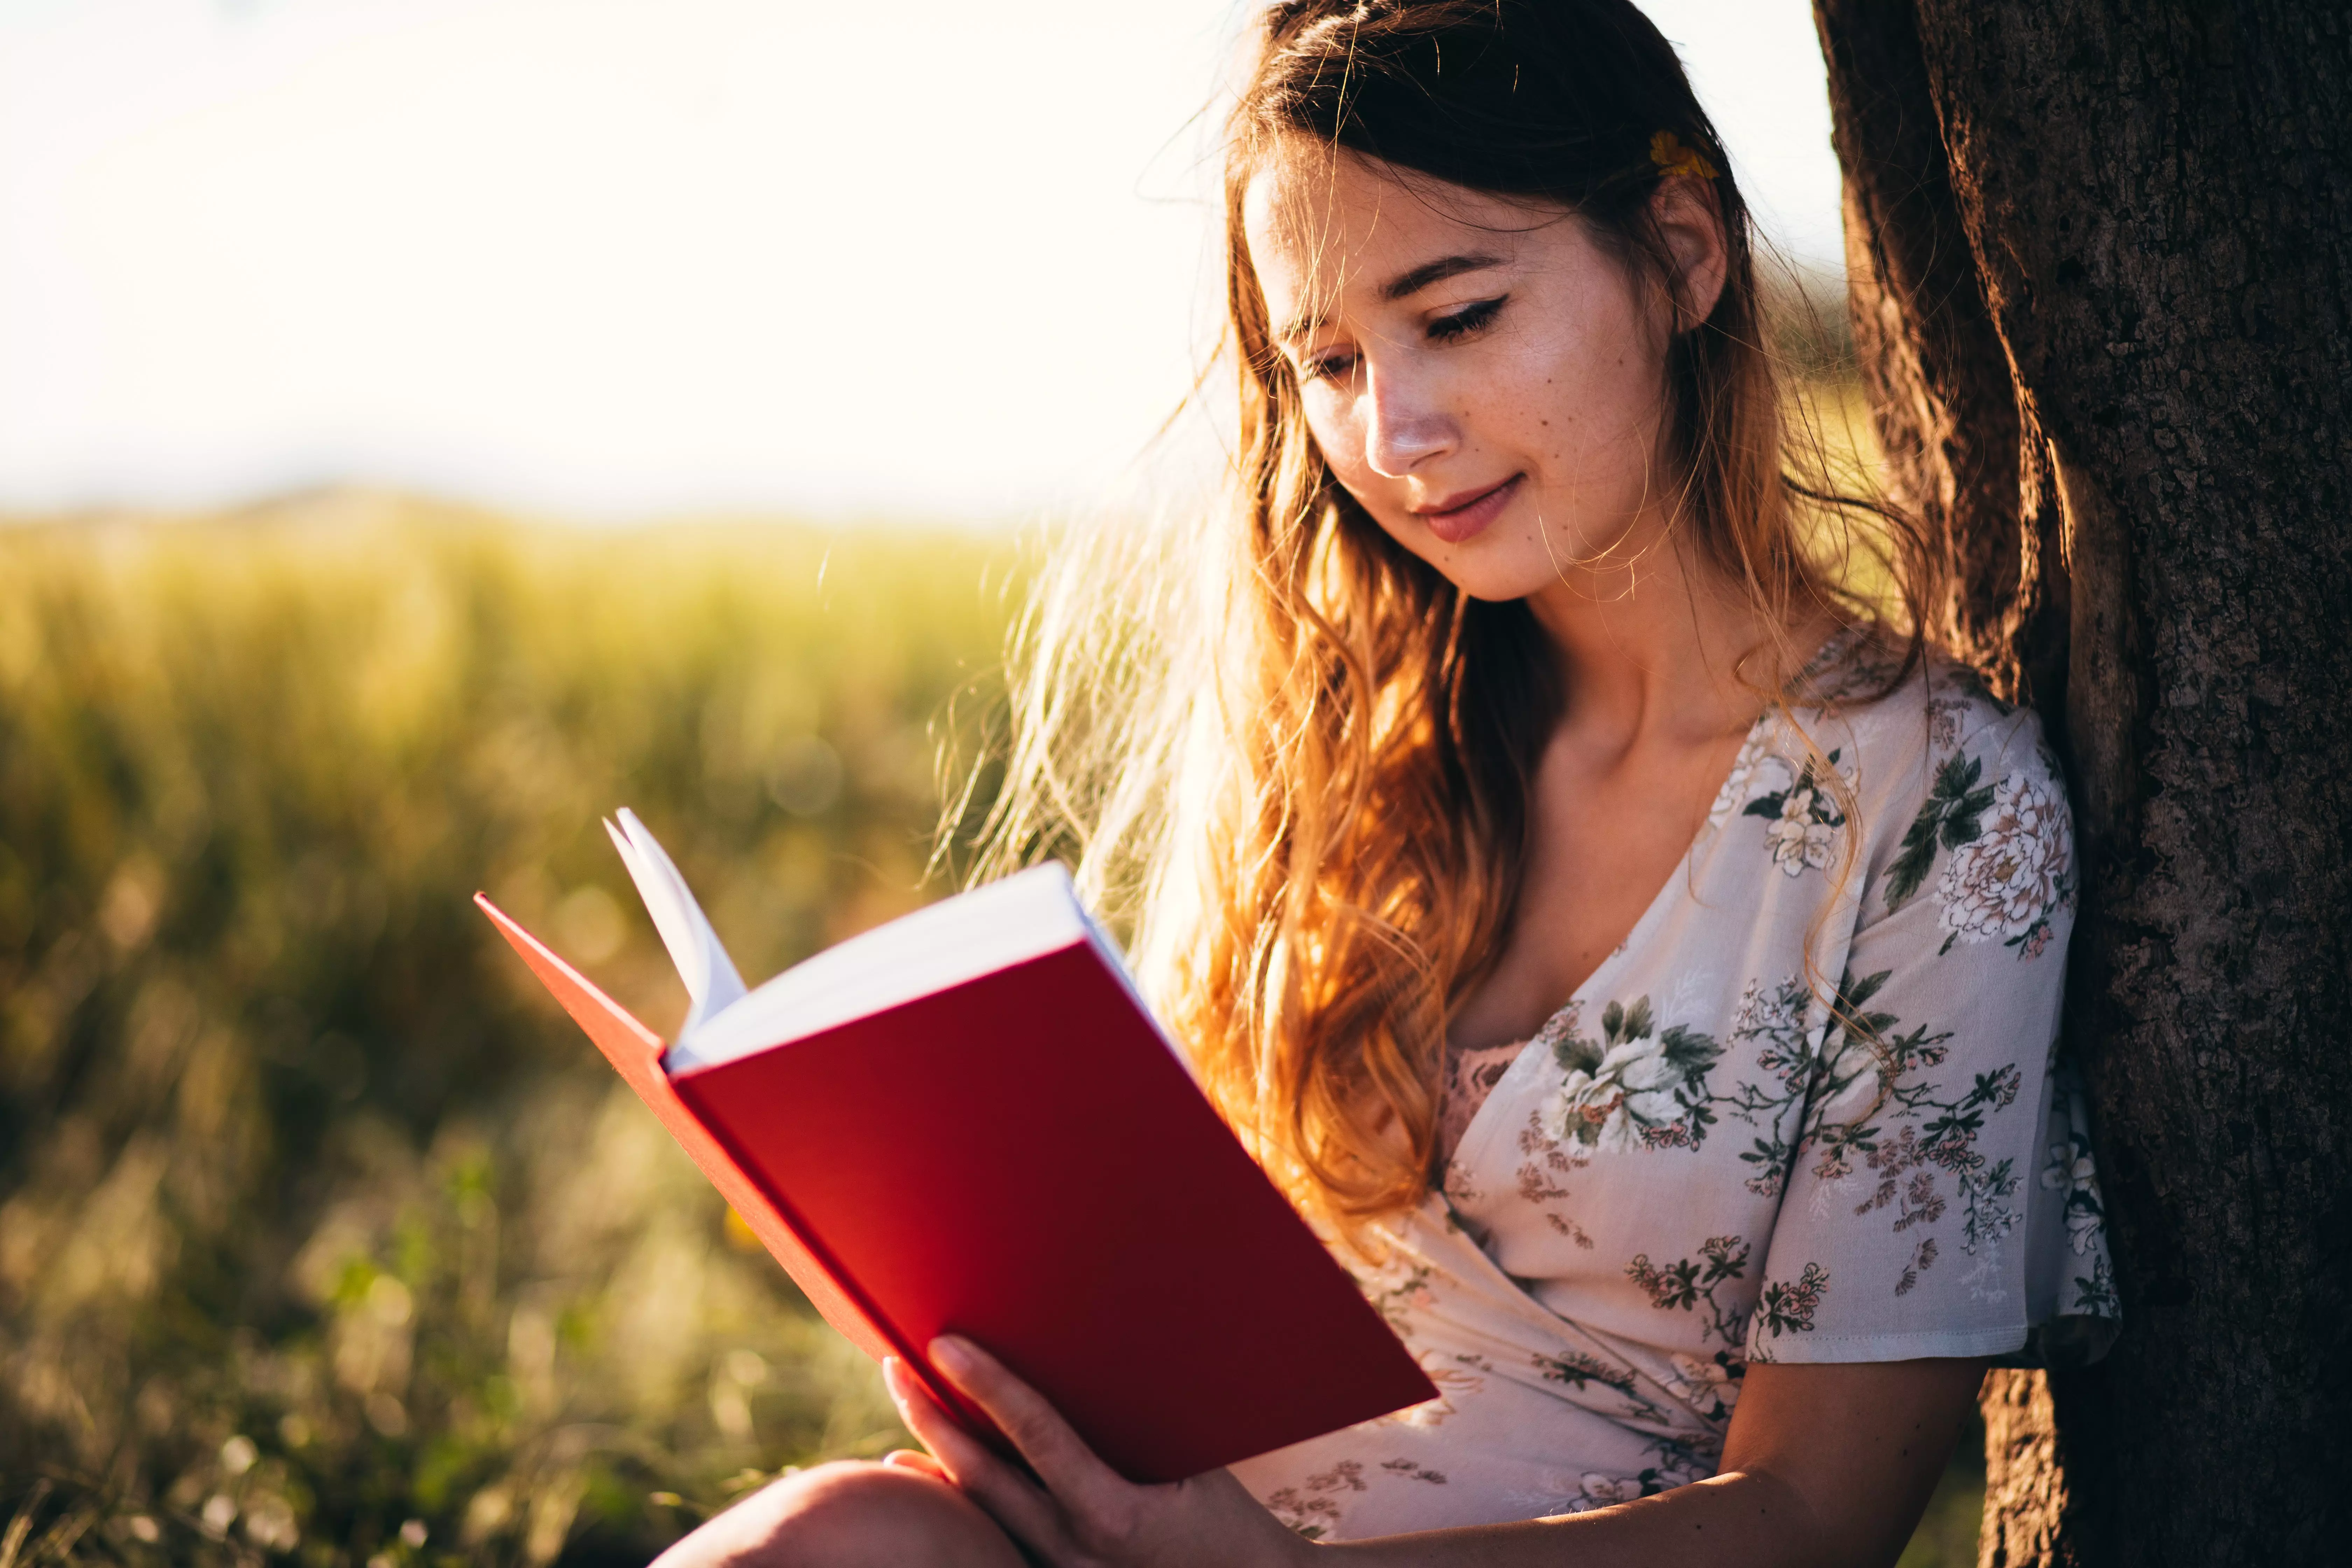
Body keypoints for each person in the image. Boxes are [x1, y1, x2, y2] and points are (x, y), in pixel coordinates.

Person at [657, 2, 2116, 1562]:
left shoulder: (1940, 810)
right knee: (837, 1536)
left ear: (1684, 253)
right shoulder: (1361, 746)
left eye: (1462, 315)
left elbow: (1815, 1521)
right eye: (1330, 360)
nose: (1391, 432)